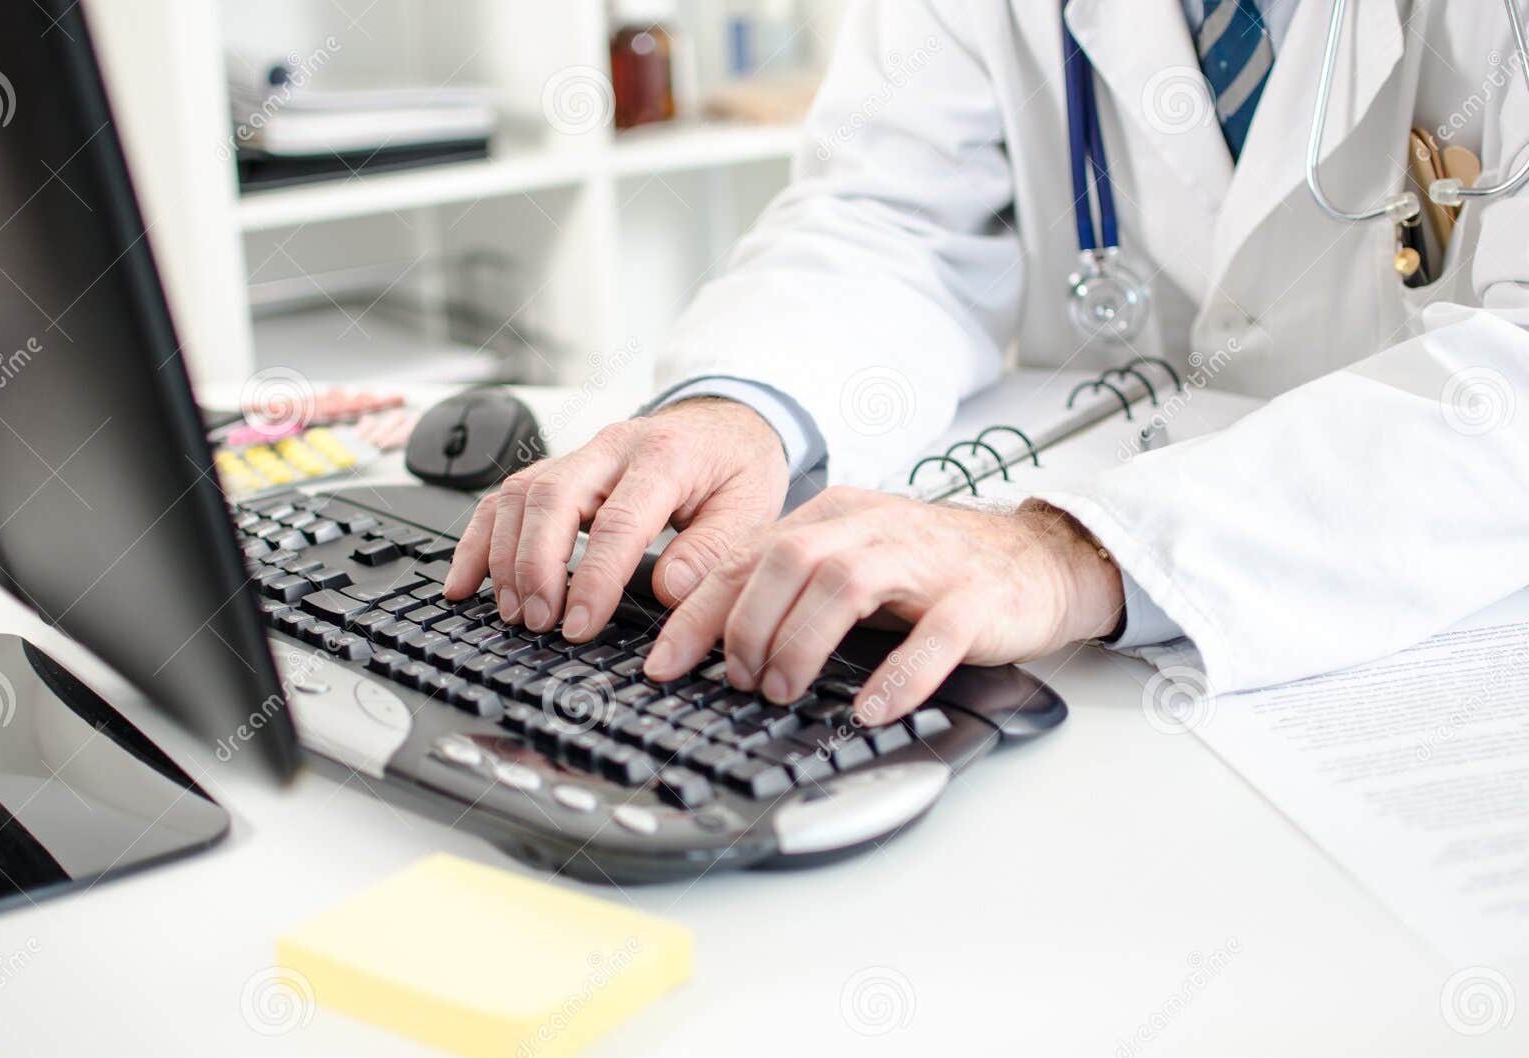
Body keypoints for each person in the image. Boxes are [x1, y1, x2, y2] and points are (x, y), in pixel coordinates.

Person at [446, 0, 1529, 724]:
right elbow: (888, 217)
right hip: (1087, 679)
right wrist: (745, 405)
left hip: (1430, 646)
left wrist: (1073, 554)